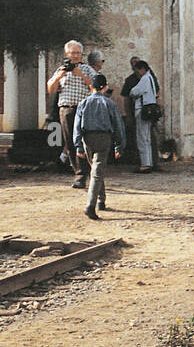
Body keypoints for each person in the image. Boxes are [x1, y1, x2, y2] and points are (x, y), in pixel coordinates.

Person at [72, 74, 126, 220]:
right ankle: (90, 205)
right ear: (105, 87)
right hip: (104, 138)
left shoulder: (83, 103)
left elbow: (76, 126)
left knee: (95, 169)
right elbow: (118, 125)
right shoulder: (109, 103)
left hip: (87, 138)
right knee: (97, 170)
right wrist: (119, 146)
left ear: (91, 87)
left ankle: (101, 200)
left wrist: (78, 146)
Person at [46, 40, 98, 188]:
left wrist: (80, 75)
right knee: (70, 142)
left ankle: (89, 171)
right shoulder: (61, 70)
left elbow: (97, 87)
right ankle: (79, 175)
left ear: (81, 55)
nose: (75, 56)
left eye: (78, 53)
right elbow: (50, 89)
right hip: (66, 109)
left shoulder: (87, 69)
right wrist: (58, 77)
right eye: (72, 53)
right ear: (67, 54)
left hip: (84, 109)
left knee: (84, 141)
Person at [128, 58, 161, 172]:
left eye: (138, 70)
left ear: (142, 69)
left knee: (142, 138)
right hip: (150, 109)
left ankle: (145, 164)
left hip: (142, 110)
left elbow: (134, 92)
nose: (137, 73)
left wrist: (132, 91)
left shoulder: (145, 79)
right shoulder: (150, 78)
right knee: (147, 138)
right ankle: (149, 162)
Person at [120, 56, 141, 163]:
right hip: (133, 112)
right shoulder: (129, 80)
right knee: (134, 136)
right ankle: (136, 159)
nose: (135, 64)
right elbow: (126, 97)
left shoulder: (149, 77)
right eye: (133, 63)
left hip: (147, 112)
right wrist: (128, 115)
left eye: (137, 62)